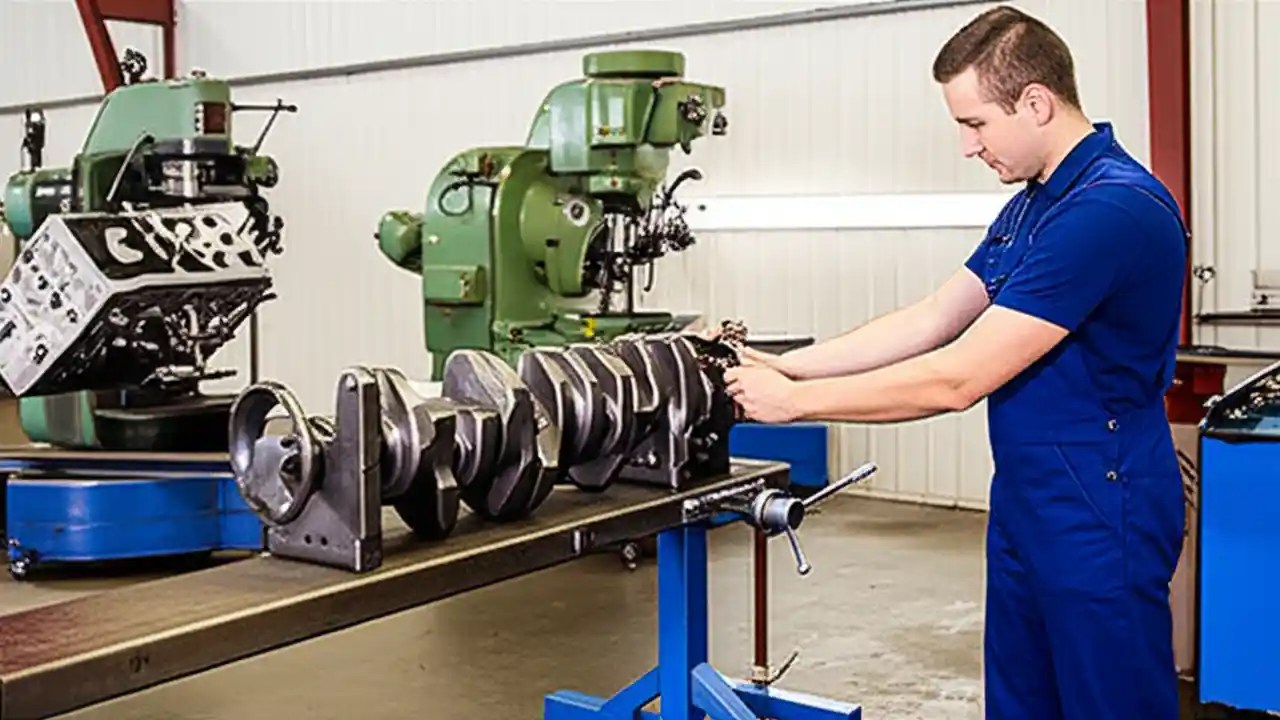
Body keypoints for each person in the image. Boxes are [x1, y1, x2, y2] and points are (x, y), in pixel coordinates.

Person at [723, 5, 1188, 719]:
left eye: (975, 123)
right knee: (1021, 702)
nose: (968, 146)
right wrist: (793, 366)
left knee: (1109, 703)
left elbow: (958, 376)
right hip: (1032, 502)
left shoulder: (1110, 212)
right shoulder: (1036, 205)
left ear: (1036, 102)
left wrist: (792, 407)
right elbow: (936, 316)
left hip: (1102, 504)